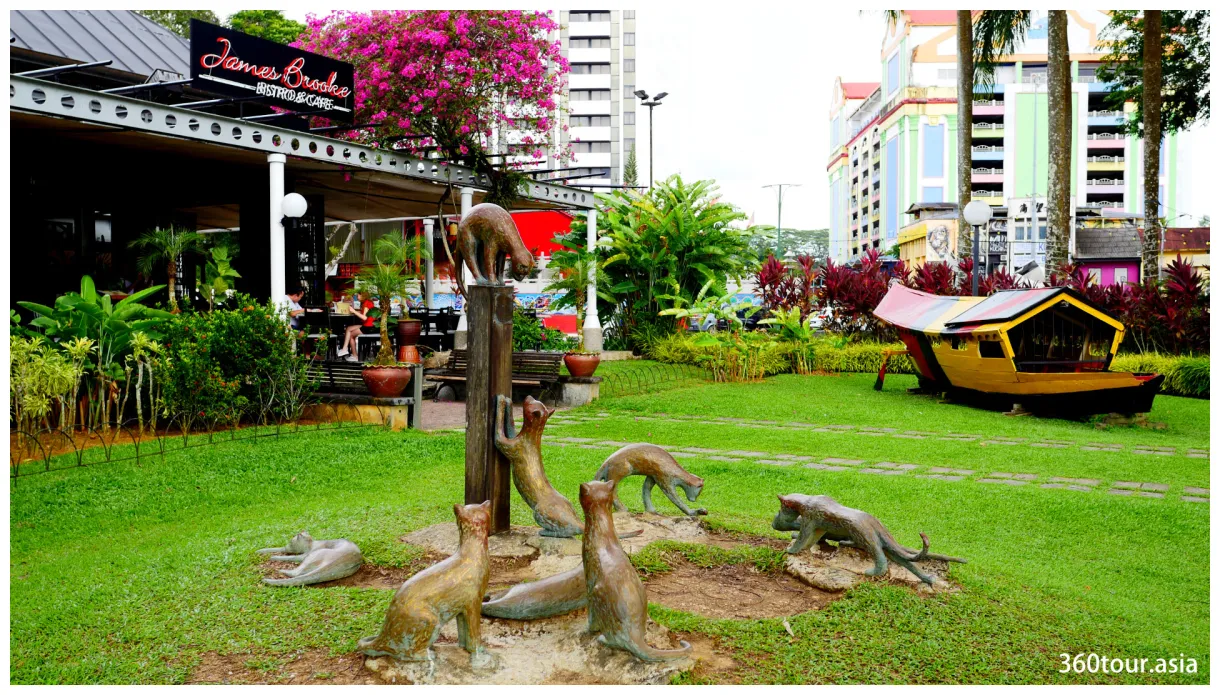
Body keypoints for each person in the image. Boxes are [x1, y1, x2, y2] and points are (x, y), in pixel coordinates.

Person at [336, 291, 377, 362]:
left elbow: (364, 318)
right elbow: (364, 314)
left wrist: (354, 311)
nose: (357, 297)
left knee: (351, 335)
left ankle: (354, 356)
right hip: (369, 325)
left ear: (363, 295)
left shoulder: (367, 303)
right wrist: (354, 311)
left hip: (369, 327)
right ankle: (345, 349)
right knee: (349, 328)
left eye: (358, 295)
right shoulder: (366, 302)